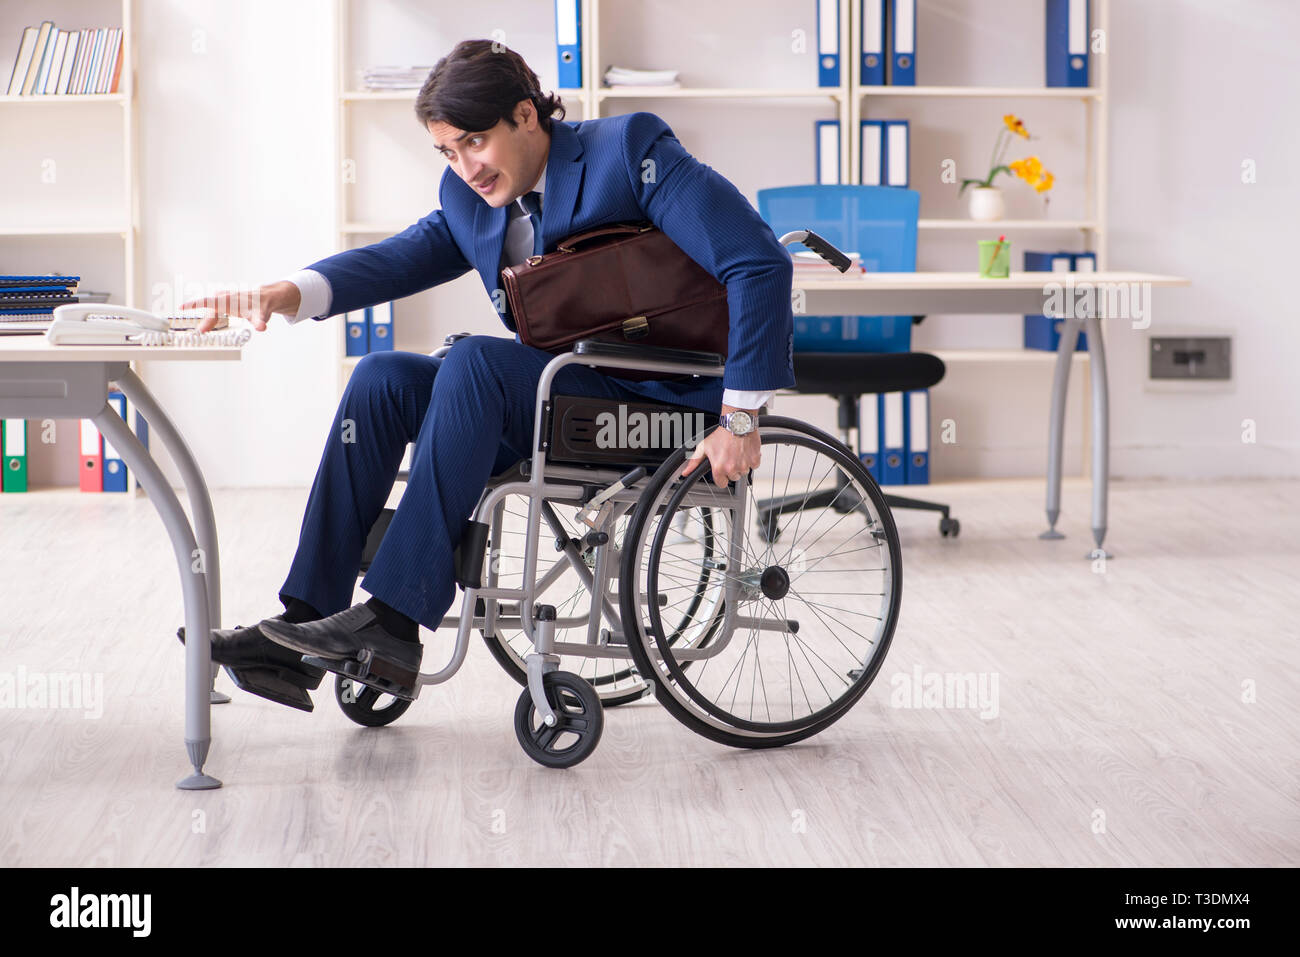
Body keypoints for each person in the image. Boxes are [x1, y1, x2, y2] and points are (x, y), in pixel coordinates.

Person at [178, 39, 794, 712]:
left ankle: (392, 623)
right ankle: (304, 623)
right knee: (382, 378)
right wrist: (281, 294)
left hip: (660, 398)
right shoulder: (469, 198)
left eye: (475, 141)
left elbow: (757, 262)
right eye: (447, 150)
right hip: (565, 395)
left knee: (473, 361)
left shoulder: (628, 151)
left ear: (526, 116)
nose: (464, 166)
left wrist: (740, 418)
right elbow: (398, 259)